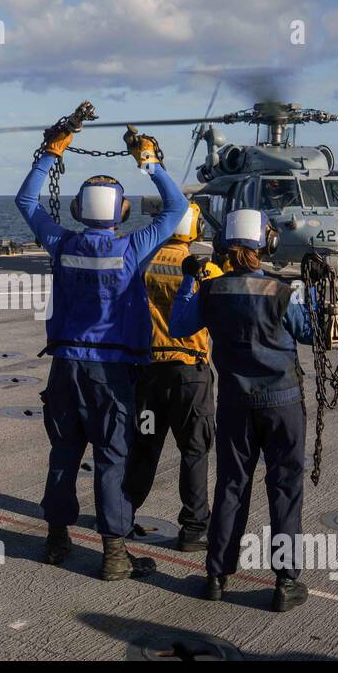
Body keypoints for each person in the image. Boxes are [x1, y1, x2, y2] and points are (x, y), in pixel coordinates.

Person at [15, 124, 187, 581]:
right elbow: (178, 208)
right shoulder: (133, 245)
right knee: (112, 458)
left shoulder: (62, 242)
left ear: (76, 209)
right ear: (122, 211)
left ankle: (56, 538)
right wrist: (149, 162)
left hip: (66, 368)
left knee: (64, 453)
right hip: (113, 373)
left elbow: (26, 203)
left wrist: (50, 154)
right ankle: (113, 553)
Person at [169, 209, 314, 612]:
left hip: (235, 404)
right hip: (283, 403)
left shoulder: (212, 291)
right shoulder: (281, 291)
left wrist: (188, 279)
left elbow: (179, 324)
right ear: (264, 244)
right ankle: (285, 583)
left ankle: (216, 576)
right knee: (285, 488)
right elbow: (309, 332)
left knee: (232, 485)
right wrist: (313, 292)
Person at [123, 201, 221, 552]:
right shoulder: (206, 270)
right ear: (195, 231)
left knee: (145, 446)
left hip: (149, 375)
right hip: (190, 377)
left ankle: (122, 513)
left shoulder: (143, 261)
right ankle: (193, 529)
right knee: (194, 451)